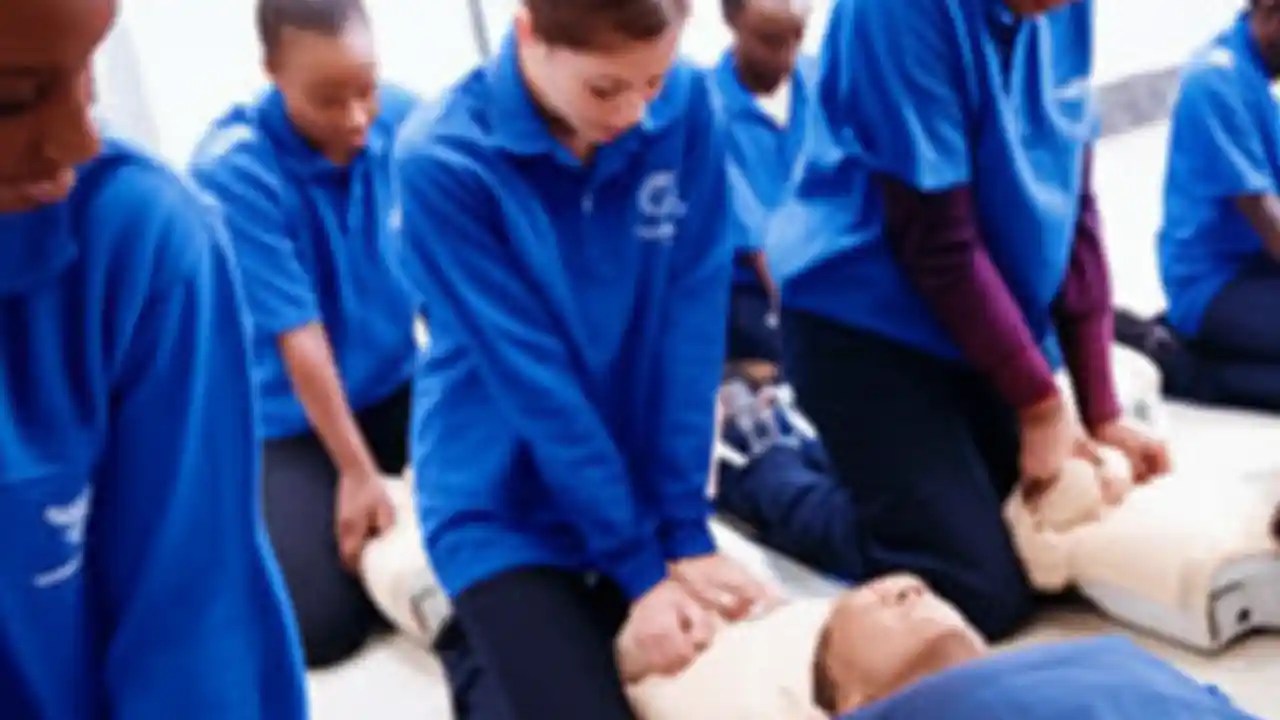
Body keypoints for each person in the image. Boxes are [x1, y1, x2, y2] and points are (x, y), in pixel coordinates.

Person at [393, 0, 776, 716]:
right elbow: (538, 387)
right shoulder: (443, 158)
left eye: (652, 83)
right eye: (606, 89)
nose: (635, 113)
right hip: (502, 496)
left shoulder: (687, 106)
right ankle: (474, 628)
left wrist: (686, 534)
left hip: (631, 475)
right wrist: (641, 572)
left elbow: (689, 329)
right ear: (528, 32)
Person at [767, 0, 1172, 641]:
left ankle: (870, 459)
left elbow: (1076, 206)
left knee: (1055, 528)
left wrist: (1100, 409)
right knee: (975, 589)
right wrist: (1041, 406)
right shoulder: (896, 14)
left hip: (981, 331)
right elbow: (937, 242)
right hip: (867, 330)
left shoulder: (1065, 11)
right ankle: (767, 467)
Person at [0, 0, 308, 717]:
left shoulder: (141, 237)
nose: (78, 139)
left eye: (89, 69)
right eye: (10, 100)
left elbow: (195, 628)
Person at [189, 0, 420, 667]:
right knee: (321, 628)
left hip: (397, 378)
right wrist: (356, 472)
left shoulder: (403, 118)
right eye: (326, 99)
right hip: (289, 418)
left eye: (365, 87)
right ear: (272, 73)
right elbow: (300, 338)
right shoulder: (232, 171)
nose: (355, 117)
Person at [1116, 1, 1280, 413]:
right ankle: (1174, 359)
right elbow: (1270, 224)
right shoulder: (1216, 82)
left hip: (1258, 274)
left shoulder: (1255, 79)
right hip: (1216, 286)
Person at [712, 0, 814, 367]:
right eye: (770, 41)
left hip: (830, 273)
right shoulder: (707, 109)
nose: (786, 56)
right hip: (752, 288)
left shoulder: (827, 85)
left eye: (796, 38)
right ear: (731, 19)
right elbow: (757, 243)